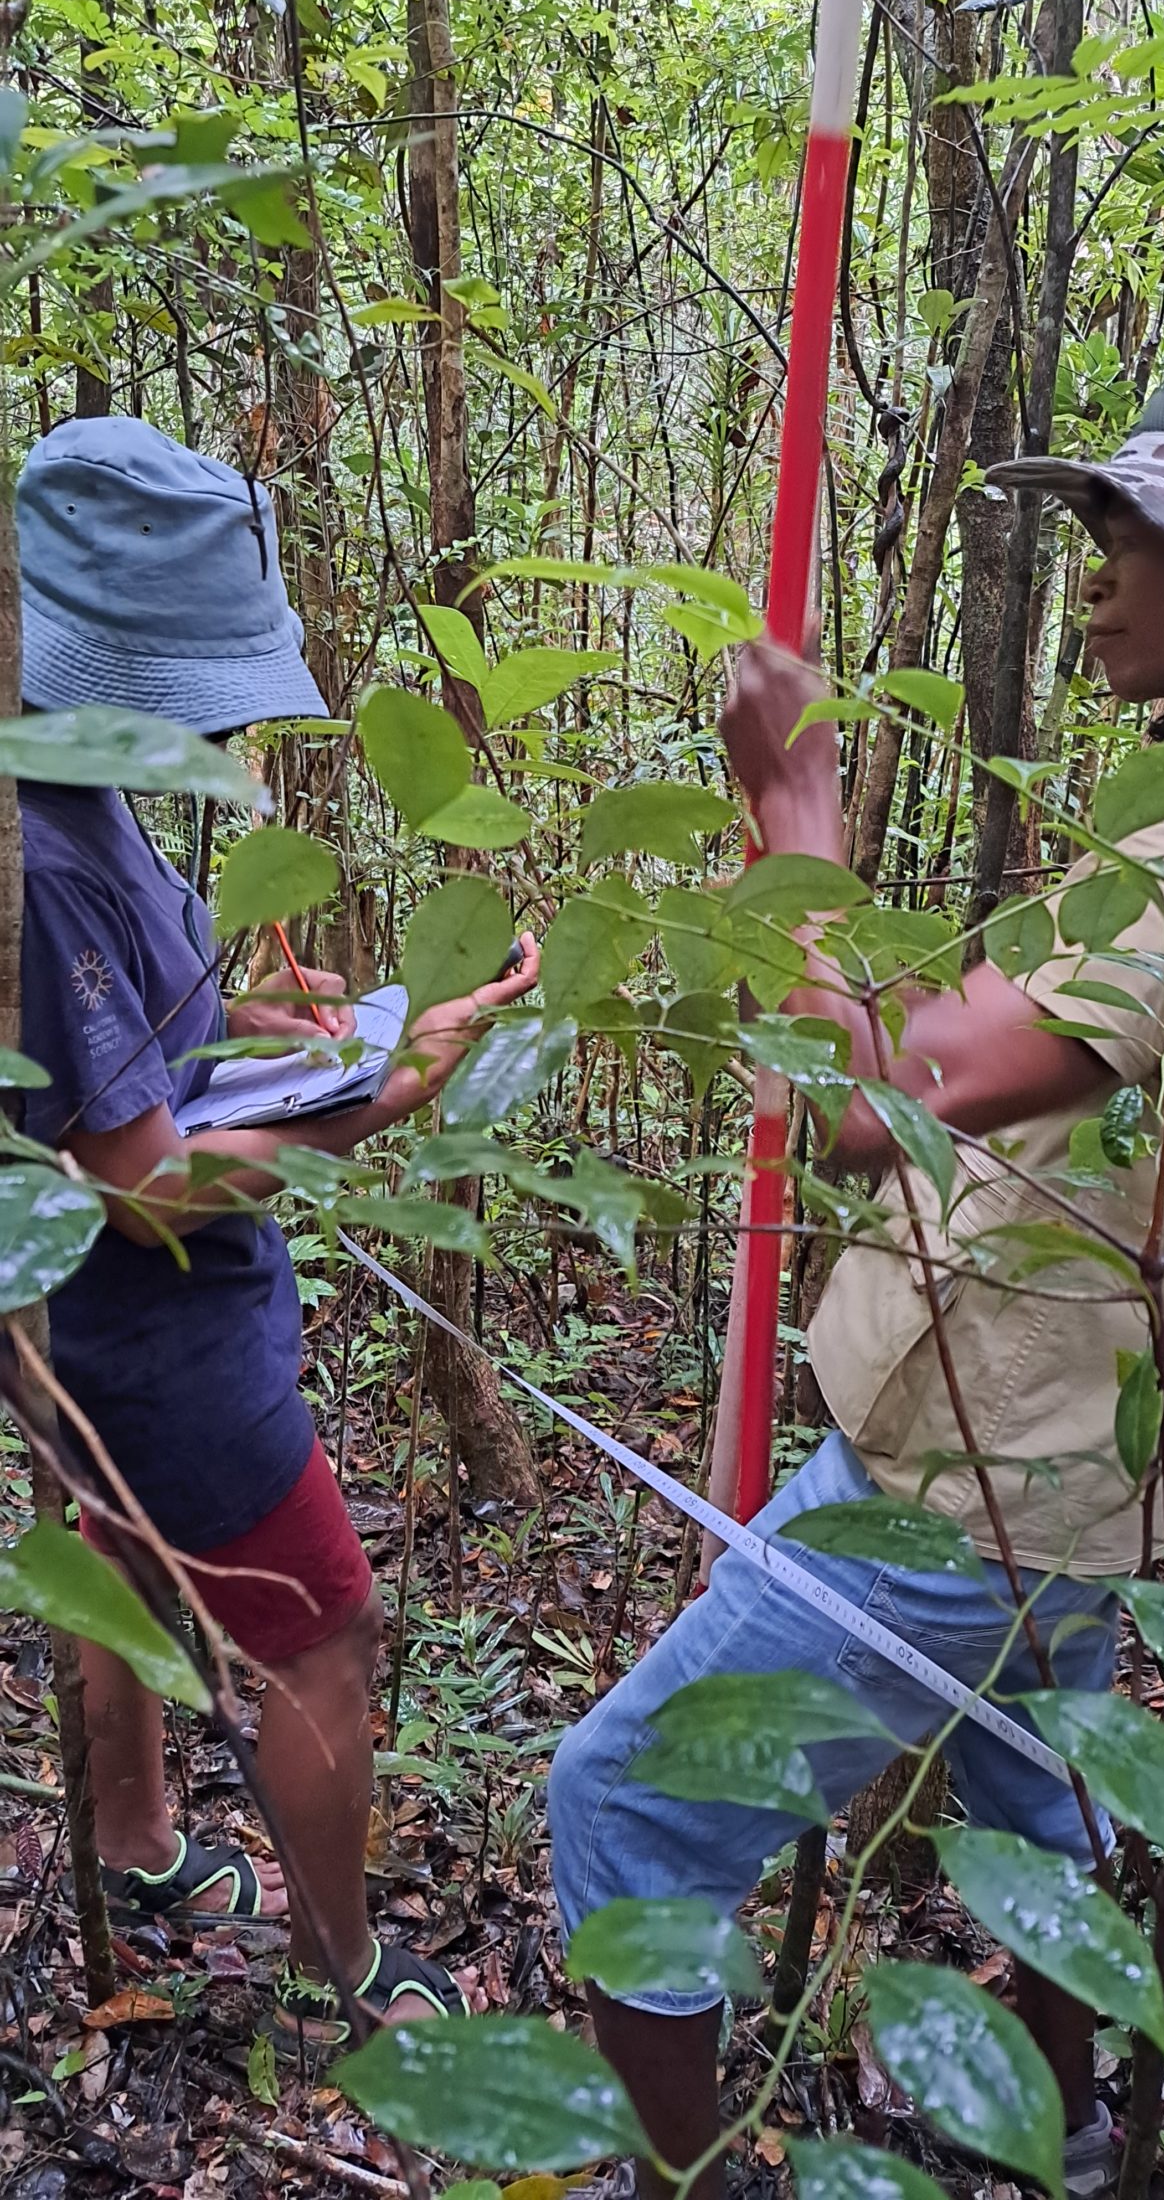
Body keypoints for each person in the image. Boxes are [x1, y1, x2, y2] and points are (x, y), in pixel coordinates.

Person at [549, 364, 1164, 2196]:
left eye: (1127, 532)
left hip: (974, 1478)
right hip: (1065, 1464)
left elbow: (882, 1097)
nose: (1094, 572)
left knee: (625, 1807)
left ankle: (682, 2175)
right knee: (1042, 1795)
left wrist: (793, 819)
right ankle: (1076, 2134)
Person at [13, 417, 540, 2040]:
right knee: (327, 1635)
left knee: (126, 1558)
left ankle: (139, 1845)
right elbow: (147, 1187)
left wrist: (247, 1012)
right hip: (150, 1333)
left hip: (121, 1341)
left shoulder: (69, 786)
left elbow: (97, 1059)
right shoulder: (35, 855)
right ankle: (341, 1971)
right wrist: (398, 1086)